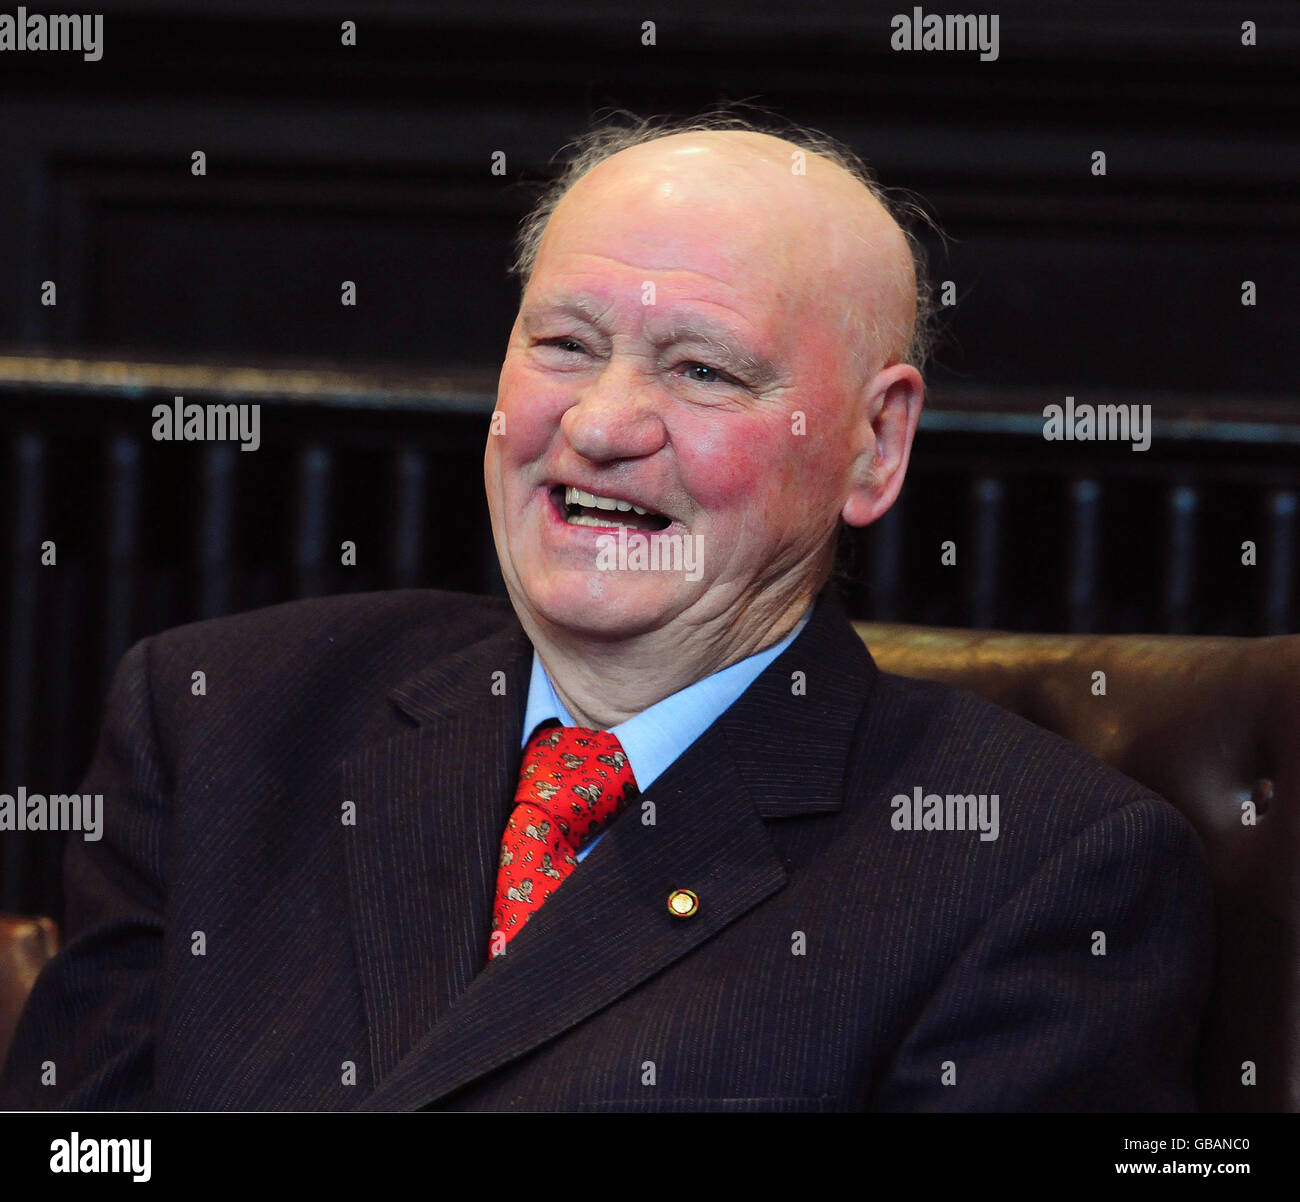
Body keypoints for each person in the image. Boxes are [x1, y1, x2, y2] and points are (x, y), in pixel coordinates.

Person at [0, 113, 1213, 1111]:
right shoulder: (218, 720)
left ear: (871, 446)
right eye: (566, 343)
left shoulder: (1040, 868)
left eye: (702, 370)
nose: (601, 423)